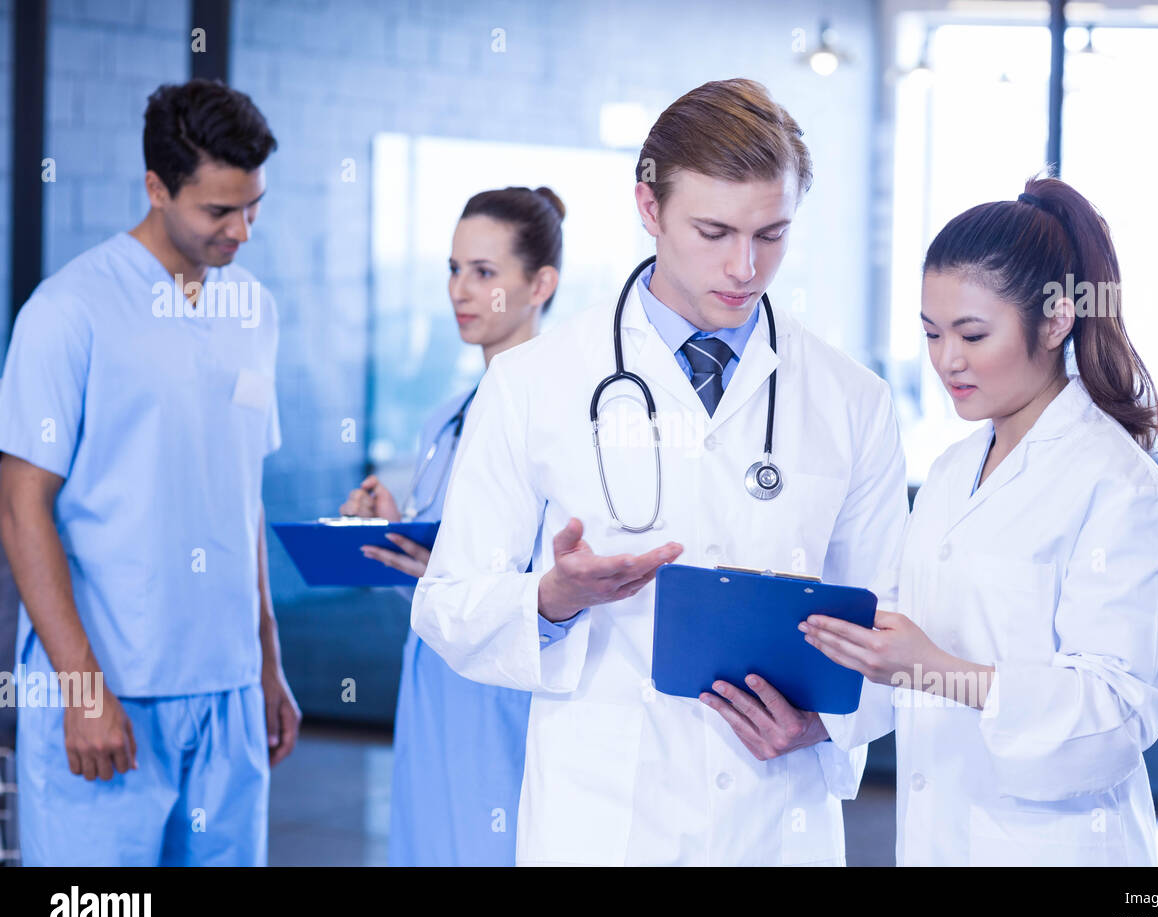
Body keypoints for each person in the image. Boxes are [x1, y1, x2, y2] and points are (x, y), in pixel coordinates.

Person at [411, 78, 909, 866]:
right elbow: (446, 606)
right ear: (649, 208)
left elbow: (894, 621)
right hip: (603, 821)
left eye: (772, 234)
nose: (745, 267)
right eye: (712, 231)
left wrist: (830, 723)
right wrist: (551, 598)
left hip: (775, 816)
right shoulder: (536, 382)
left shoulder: (853, 400)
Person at [802, 176, 1158, 866]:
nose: (946, 360)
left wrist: (939, 671)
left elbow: (1116, 714)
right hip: (938, 834)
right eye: (931, 334)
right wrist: (817, 703)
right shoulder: (955, 469)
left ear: (1054, 322)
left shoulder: (1122, 492)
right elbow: (903, 639)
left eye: (972, 334)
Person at [0, 79, 298, 866]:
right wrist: (83, 688)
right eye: (217, 211)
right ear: (156, 188)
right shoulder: (69, 312)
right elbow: (20, 510)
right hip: (113, 686)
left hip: (228, 690)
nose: (242, 230)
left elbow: (243, 502)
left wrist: (267, 662)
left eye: (253, 205)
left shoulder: (256, 310)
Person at [338, 187, 563, 865]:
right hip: (435, 678)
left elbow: (558, 584)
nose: (460, 290)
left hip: (508, 692)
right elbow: (445, 579)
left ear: (540, 284)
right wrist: (395, 535)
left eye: (485, 273)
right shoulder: (446, 417)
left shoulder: (560, 415)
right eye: (454, 268)